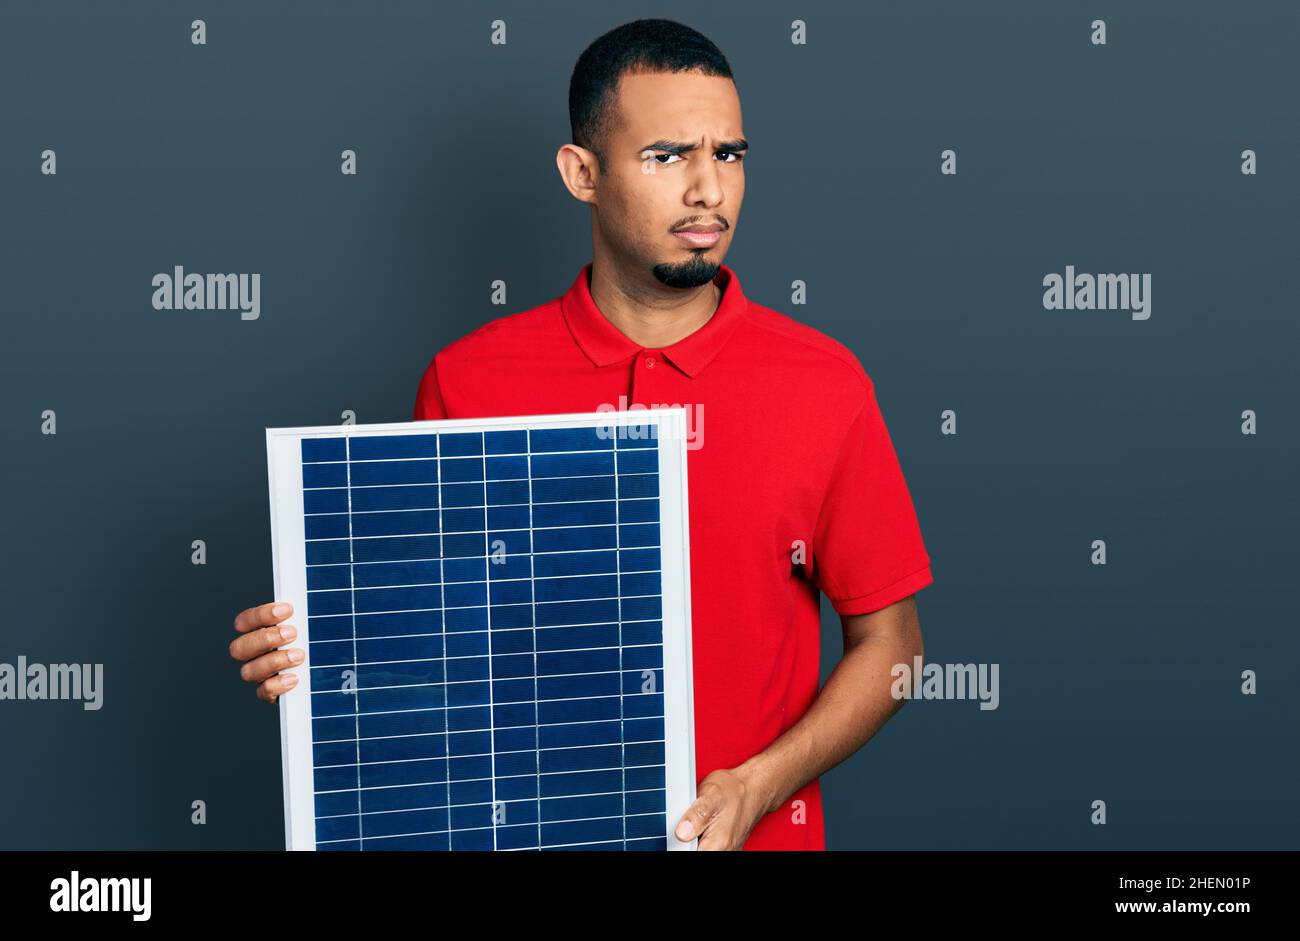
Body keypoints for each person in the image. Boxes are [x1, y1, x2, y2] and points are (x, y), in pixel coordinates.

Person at [230, 18, 933, 851]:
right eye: (668, 156)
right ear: (582, 174)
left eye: (729, 154)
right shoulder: (467, 379)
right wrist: (312, 657)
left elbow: (893, 645)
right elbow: (436, 651)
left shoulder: (826, 383)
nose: (708, 189)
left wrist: (759, 785)